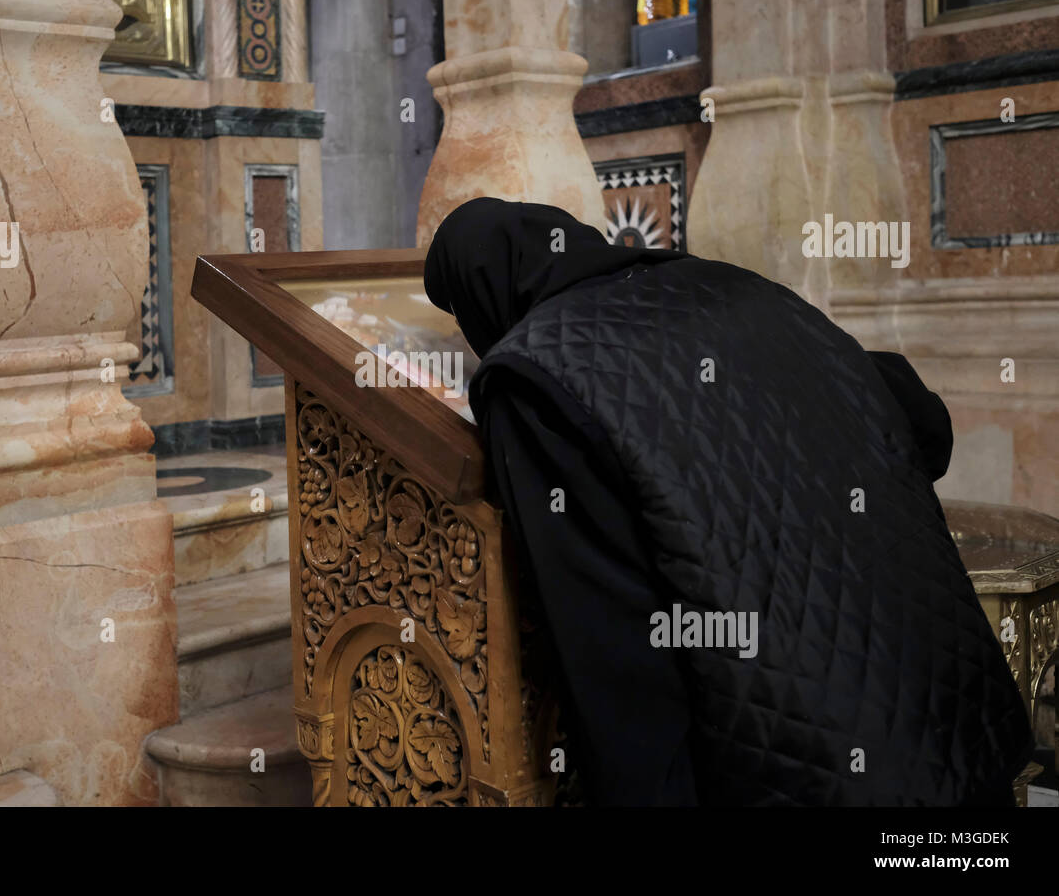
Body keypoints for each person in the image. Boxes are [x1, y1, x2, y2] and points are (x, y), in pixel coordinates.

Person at [424, 197, 1034, 806]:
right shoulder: (738, 288)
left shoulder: (531, 378)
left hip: (803, 765)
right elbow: (927, 428)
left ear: (481, 294)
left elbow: (613, 650)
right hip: (953, 721)